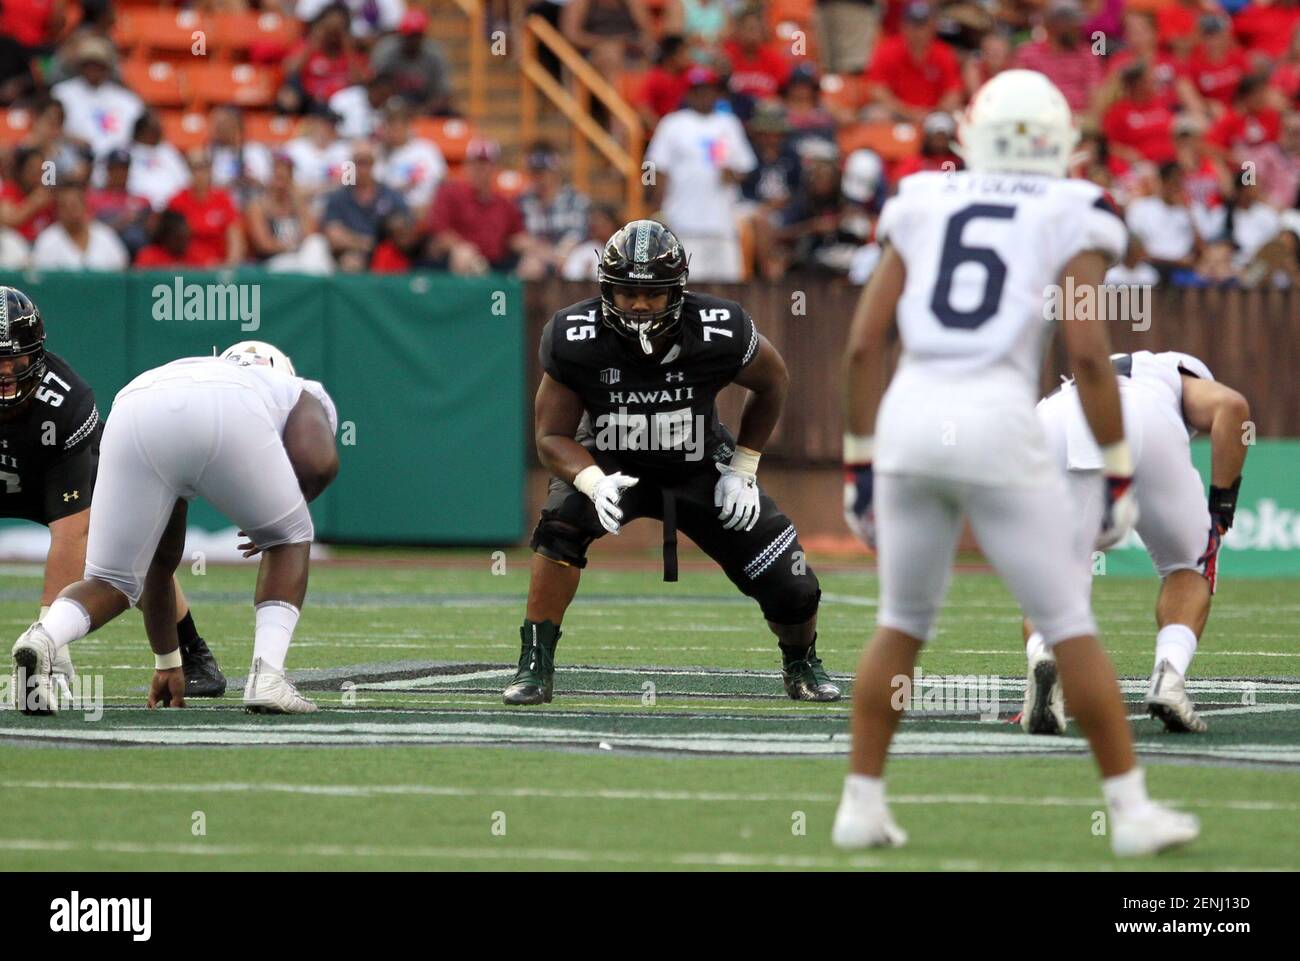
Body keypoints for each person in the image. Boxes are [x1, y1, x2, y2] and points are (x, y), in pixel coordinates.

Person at [834, 70, 1198, 857]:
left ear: (973, 132)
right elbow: (1090, 357)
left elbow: (865, 345)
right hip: (996, 423)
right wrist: (1117, 471)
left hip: (908, 420)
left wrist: (859, 464)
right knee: (1069, 620)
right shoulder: (1076, 208)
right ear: (1059, 139)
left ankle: (860, 803)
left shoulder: (922, 198)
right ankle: (1130, 811)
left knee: (900, 622)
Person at [503, 219, 836, 706]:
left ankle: (801, 660)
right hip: (612, 462)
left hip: (700, 463)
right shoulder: (574, 335)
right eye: (627, 292)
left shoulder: (719, 328)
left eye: (653, 294)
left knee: (791, 581)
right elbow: (551, 435)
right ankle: (534, 663)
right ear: (606, 289)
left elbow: (774, 381)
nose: (639, 305)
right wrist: (592, 481)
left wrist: (744, 466)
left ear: (677, 290)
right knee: (560, 528)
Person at [11, 341, 339, 716]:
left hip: (133, 405)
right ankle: (268, 678)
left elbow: (160, 564)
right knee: (290, 539)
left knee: (111, 581)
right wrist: (288, 514)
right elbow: (320, 462)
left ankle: (43, 637)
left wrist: (168, 661)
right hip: (229, 413)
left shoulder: (194, 372)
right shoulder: (291, 390)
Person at [1, 286, 225, 710]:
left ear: (38, 354)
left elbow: (72, 533)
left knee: (125, 557)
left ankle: (193, 653)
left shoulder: (68, 402)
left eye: (14, 358)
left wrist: (51, 636)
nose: (6, 373)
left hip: (52, 472)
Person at [1021, 351, 1250, 736]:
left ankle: (1045, 650)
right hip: (1144, 420)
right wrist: (1222, 507)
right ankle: (1169, 678)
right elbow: (1232, 406)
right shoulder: (1173, 378)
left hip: (1053, 421)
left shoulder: (1086, 379)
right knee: (1189, 565)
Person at [644, 67, 756, 282]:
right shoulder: (673, 123)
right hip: (683, 224)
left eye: (708, 90)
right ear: (688, 94)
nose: (704, 95)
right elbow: (656, 169)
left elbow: (745, 168)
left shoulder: (728, 123)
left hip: (723, 226)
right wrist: (657, 210)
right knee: (686, 289)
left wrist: (731, 175)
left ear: (716, 93)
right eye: (697, 90)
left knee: (728, 289)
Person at [30, 181, 129, 271]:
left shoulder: (105, 235)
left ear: (84, 206)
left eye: (74, 205)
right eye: (64, 206)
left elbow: (121, 271)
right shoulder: (47, 240)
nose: (70, 211)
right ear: (57, 210)